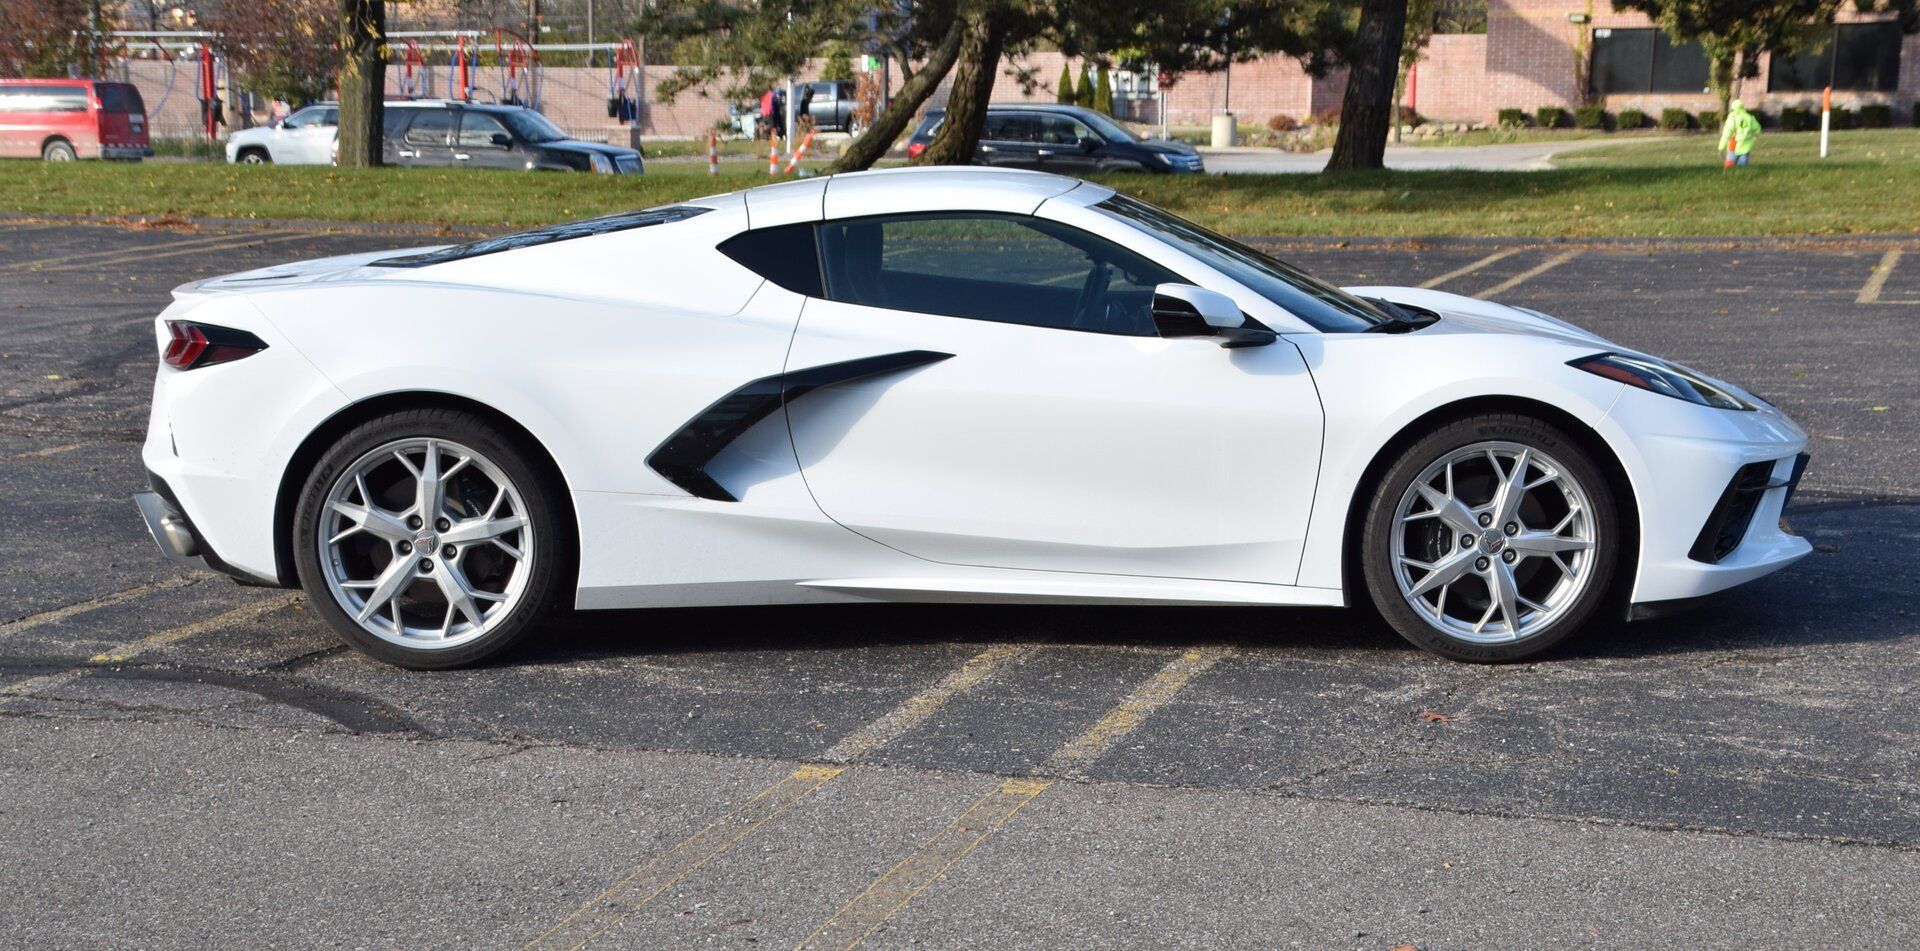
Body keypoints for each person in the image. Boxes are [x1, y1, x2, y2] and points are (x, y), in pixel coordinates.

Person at [1718, 99, 1760, 168]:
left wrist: (1721, 148)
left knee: (1730, 168)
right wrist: (1755, 136)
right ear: (1743, 107)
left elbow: (1726, 135)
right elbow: (1758, 129)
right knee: (1742, 169)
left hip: (1733, 147)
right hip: (1746, 148)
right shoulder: (1750, 118)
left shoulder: (1732, 119)